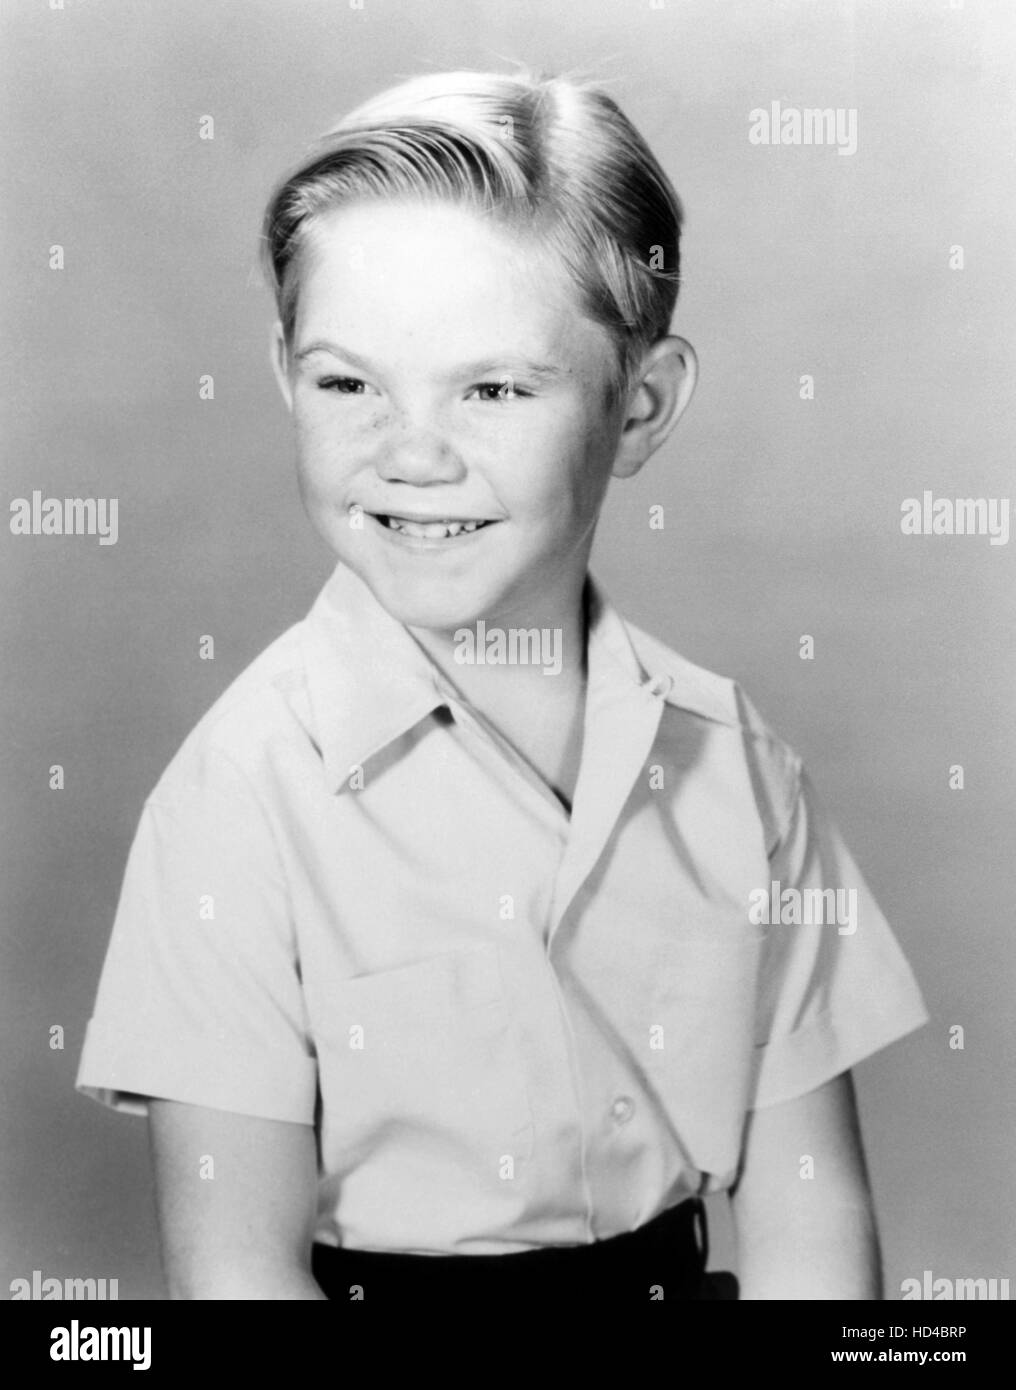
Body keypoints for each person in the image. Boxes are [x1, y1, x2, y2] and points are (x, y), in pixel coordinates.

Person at [76, 67, 928, 1303]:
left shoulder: (728, 758)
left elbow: (812, 1237)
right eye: (346, 382)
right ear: (282, 375)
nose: (409, 452)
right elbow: (238, 1280)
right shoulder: (237, 797)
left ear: (638, 408)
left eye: (491, 388)